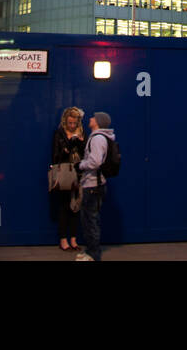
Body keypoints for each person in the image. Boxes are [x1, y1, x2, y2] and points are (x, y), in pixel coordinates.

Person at [74, 111, 115, 262]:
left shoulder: (97, 138)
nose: (90, 118)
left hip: (93, 185)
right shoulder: (99, 137)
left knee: (90, 221)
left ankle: (93, 255)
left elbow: (95, 161)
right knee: (89, 220)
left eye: (93, 117)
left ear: (97, 121)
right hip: (94, 184)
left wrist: (80, 165)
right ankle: (90, 251)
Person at [50, 107, 85, 251]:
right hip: (64, 173)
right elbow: (55, 156)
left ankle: (74, 239)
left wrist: (81, 143)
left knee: (76, 207)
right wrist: (69, 146)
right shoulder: (59, 133)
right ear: (65, 121)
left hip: (78, 172)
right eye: (70, 123)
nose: (72, 126)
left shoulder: (82, 132)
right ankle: (63, 240)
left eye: (74, 123)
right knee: (64, 207)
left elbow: (85, 153)